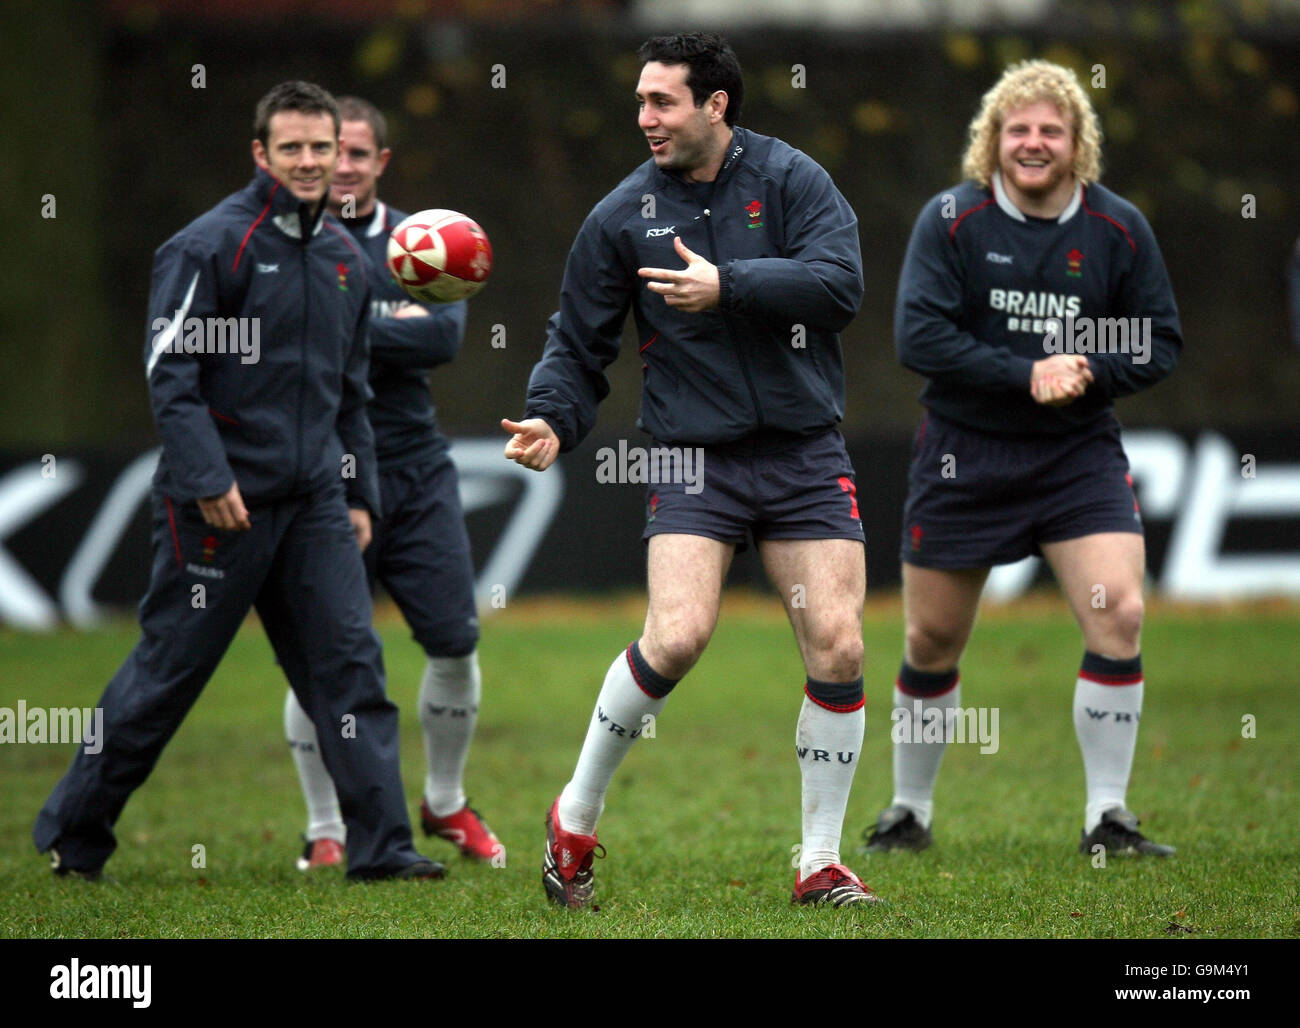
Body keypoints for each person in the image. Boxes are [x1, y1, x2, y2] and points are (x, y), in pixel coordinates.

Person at [502, 32, 880, 908]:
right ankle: (575, 818)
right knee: (676, 635)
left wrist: (732, 285)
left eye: (662, 102)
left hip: (802, 450)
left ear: (716, 105)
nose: (645, 119)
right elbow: (578, 341)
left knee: (840, 641)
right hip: (689, 455)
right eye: (640, 102)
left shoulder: (793, 180)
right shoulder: (621, 215)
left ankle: (819, 863)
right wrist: (556, 418)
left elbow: (840, 286)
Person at [33, 81, 442, 882]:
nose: (309, 161)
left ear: (338, 152)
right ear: (261, 154)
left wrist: (359, 494)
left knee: (351, 669)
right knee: (165, 679)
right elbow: (170, 374)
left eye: (321, 147)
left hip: (317, 502)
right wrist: (207, 475)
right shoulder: (207, 247)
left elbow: (351, 393)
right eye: (290, 147)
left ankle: (383, 848)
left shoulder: (346, 260)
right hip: (216, 508)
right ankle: (73, 838)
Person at [860, 60, 1181, 858]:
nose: (1034, 143)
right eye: (1018, 129)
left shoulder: (1119, 228)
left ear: (1078, 145)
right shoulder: (951, 220)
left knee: (1121, 615)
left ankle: (1109, 817)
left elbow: (1158, 338)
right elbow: (920, 338)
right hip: (963, 455)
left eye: (1051, 130)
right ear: (992, 141)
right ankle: (908, 813)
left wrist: (1089, 368)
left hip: (1078, 456)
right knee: (932, 641)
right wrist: (1025, 373)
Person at [281, 96, 502, 871]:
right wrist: (379, 319)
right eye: (329, 151)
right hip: (323, 468)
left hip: (414, 464)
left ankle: (444, 801)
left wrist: (326, 320)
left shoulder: (423, 238)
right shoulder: (288, 238)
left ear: (380, 162)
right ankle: (325, 825)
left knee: (456, 642)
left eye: (356, 153)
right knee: (323, 654)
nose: (340, 165)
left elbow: (439, 336)